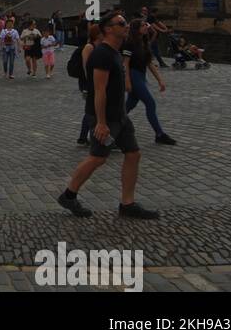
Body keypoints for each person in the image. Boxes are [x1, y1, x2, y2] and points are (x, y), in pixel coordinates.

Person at [57, 13, 159, 220]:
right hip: (106, 117)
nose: (126, 26)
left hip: (119, 114)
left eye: (126, 22)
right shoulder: (102, 54)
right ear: (108, 29)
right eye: (122, 23)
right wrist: (101, 122)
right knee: (97, 158)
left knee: (133, 154)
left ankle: (127, 204)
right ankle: (69, 195)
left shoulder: (115, 51)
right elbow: (99, 90)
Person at [123, 19, 176, 146]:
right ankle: (159, 134)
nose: (146, 27)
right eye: (143, 25)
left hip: (141, 76)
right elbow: (125, 63)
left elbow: (149, 63)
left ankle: (111, 122)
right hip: (134, 75)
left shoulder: (144, 42)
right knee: (150, 102)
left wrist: (160, 80)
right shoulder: (129, 43)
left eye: (145, 25)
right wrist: (127, 81)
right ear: (136, 28)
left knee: (129, 104)